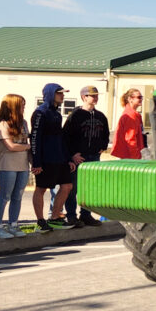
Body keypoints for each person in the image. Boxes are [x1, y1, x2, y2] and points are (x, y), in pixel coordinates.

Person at [62, 86, 109, 226]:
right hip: (78, 158)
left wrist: (102, 147)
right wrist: (72, 155)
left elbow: (105, 134)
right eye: (92, 95)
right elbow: (65, 137)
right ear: (84, 97)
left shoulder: (101, 116)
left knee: (89, 188)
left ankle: (86, 215)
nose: (95, 98)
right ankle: (71, 215)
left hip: (94, 157)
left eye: (96, 95)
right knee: (73, 187)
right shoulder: (75, 116)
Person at [31, 83, 74, 232]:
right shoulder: (40, 113)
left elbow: (60, 138)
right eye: (59, 93)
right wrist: (36, 162)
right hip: (46, 159)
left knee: (67, 186)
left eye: (63, 93)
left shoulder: (56, 113)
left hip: (60, 158)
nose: (62, 96)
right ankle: (40, 221)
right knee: (41, 189)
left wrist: (68, 158)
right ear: (50, 94)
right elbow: (35, 138)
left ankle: (55, 217)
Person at [0, 94, 31, 239]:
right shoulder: (3, 124)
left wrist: (31, 157)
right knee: (4, 196)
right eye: (21, 105)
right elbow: (11, 146)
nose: (23, 108)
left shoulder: (24, 123)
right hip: (7, 165)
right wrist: (27, 146)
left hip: (23, 165)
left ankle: (13, 224)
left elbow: (23, 144)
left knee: (18, 196)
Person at [111, 88, 145, 160]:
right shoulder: (130, 115)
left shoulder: (132, 114)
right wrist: (136, 157)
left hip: (128, 154)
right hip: (129, 156)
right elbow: (130, 138)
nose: (141, 99)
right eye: (139, 97)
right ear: (130, 99)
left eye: (142, 97)